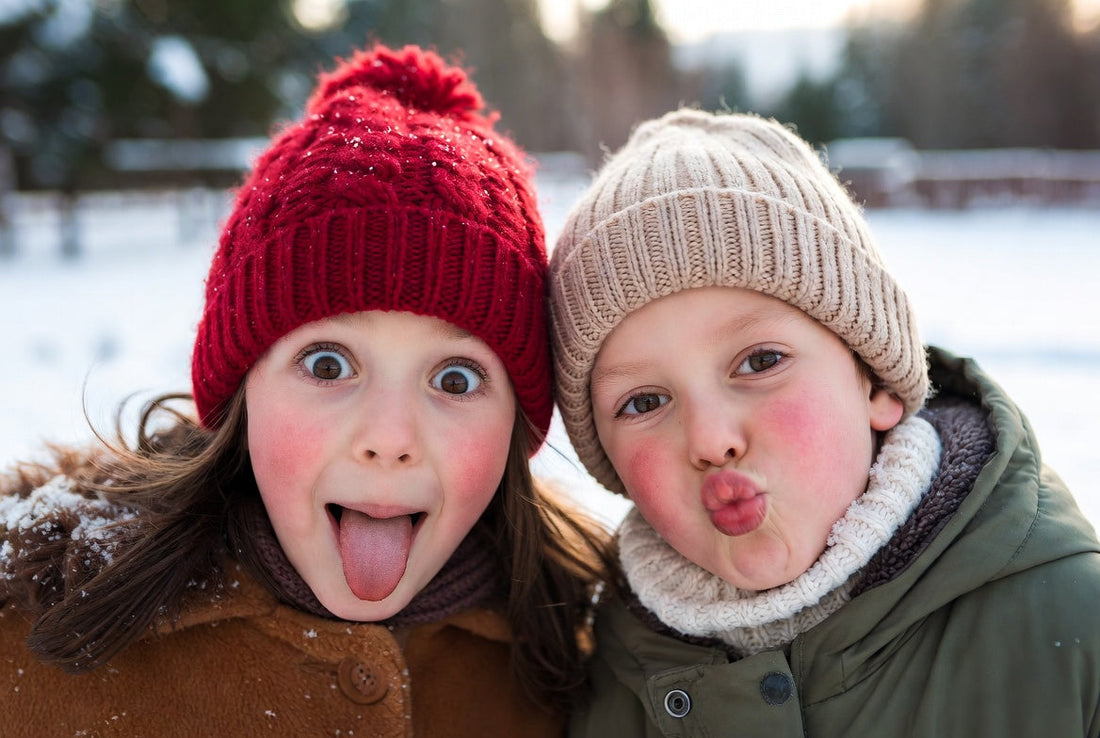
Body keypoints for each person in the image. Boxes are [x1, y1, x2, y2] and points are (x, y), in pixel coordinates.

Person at [0, 44, 613, 737]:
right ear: (242, 389)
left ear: (516, 426)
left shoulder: (577, 661)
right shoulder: (38, 643)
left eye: (455, 379)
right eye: (327, 366)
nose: (389, 438)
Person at [548, 109, 1100, 736]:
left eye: (760, 362)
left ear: (878, 382)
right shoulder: (598, 676)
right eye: (644, 402)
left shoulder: (1070, 627)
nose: (710, 439)